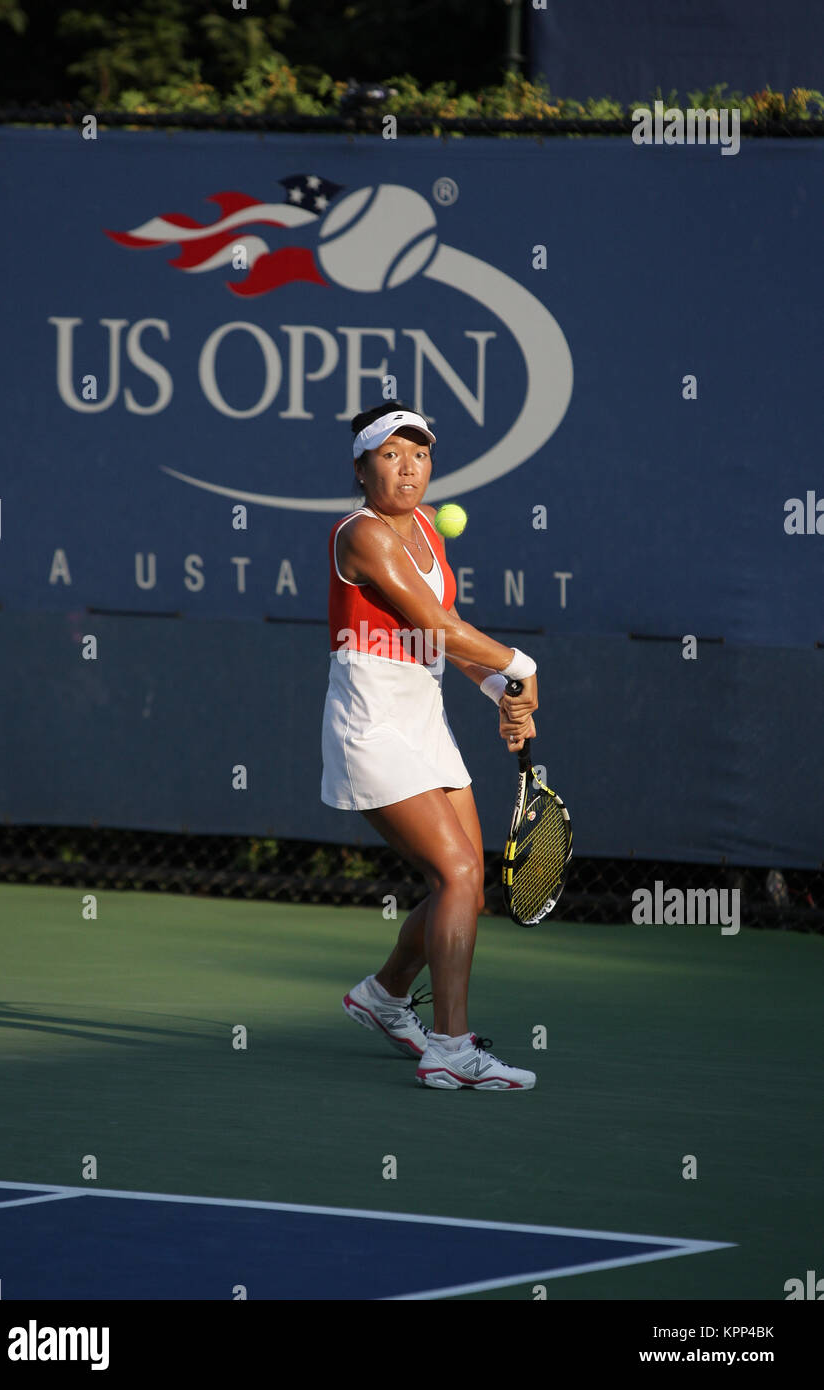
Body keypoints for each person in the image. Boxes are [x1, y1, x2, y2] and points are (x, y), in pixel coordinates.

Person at [321, 401, 539, 1091]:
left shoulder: (424, 531)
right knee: (457, 874)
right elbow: (437, 622)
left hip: (423, 716)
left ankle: (384, 996)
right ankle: (450, 1046)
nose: (408, 466)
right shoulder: (363, 536)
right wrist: (520, 665)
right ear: (361, 469)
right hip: (371, 721)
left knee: (467, 886)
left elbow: (439, 638)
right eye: (391, 454)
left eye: (419, 453)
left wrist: (497, 691)